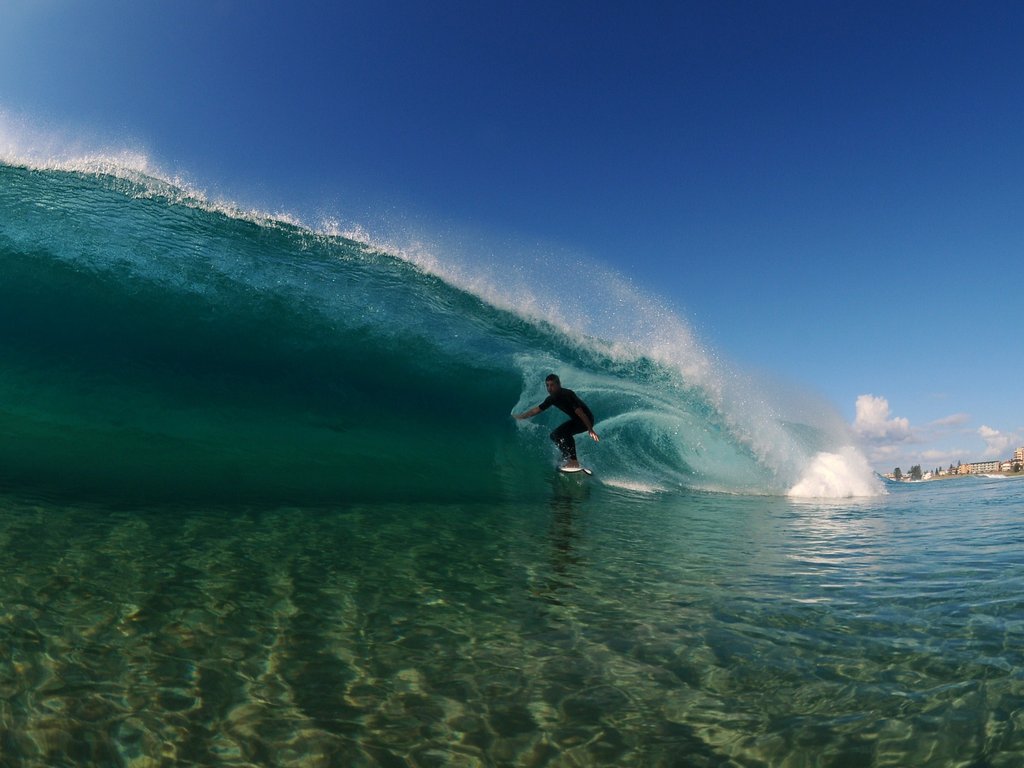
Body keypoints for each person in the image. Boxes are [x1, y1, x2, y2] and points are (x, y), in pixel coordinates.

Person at [514, 374, 599, 468]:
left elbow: (580, 412)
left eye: (552, 385)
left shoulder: (567, 394)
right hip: (576, 420)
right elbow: (537, 410)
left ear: (558, 384)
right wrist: (521, 417)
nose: (549, 388)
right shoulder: (551, 399)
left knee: (565, 433)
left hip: (586, 419)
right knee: (554, 435)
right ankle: (567, 457)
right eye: (547, 385)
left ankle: (574, 461)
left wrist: (590, 429)